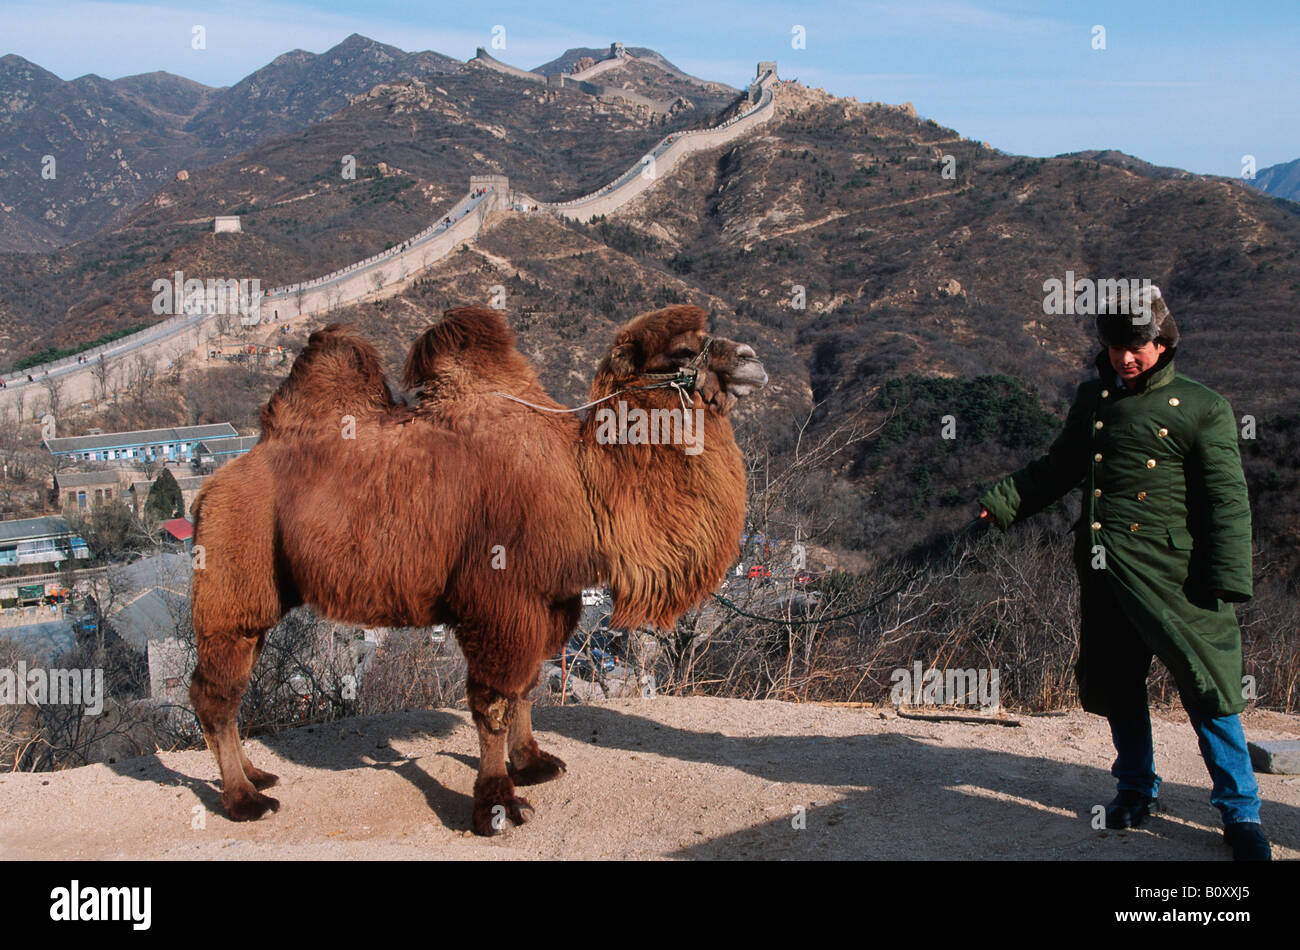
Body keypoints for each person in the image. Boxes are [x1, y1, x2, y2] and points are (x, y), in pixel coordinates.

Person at [977, 284, 1269, 861]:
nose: (1125, 358)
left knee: (1208, 689)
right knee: (1118, 686)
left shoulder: (1204, 408)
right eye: (1116, 347)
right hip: (1106, 572)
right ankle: (1136, 790)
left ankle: (1242, 814)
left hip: (1179, 578)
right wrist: (1007, 499)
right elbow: (1061, 466)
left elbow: (1227, 501)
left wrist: (1228, 578)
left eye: (1137, 346)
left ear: (1162, 343)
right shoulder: (1093, 399)